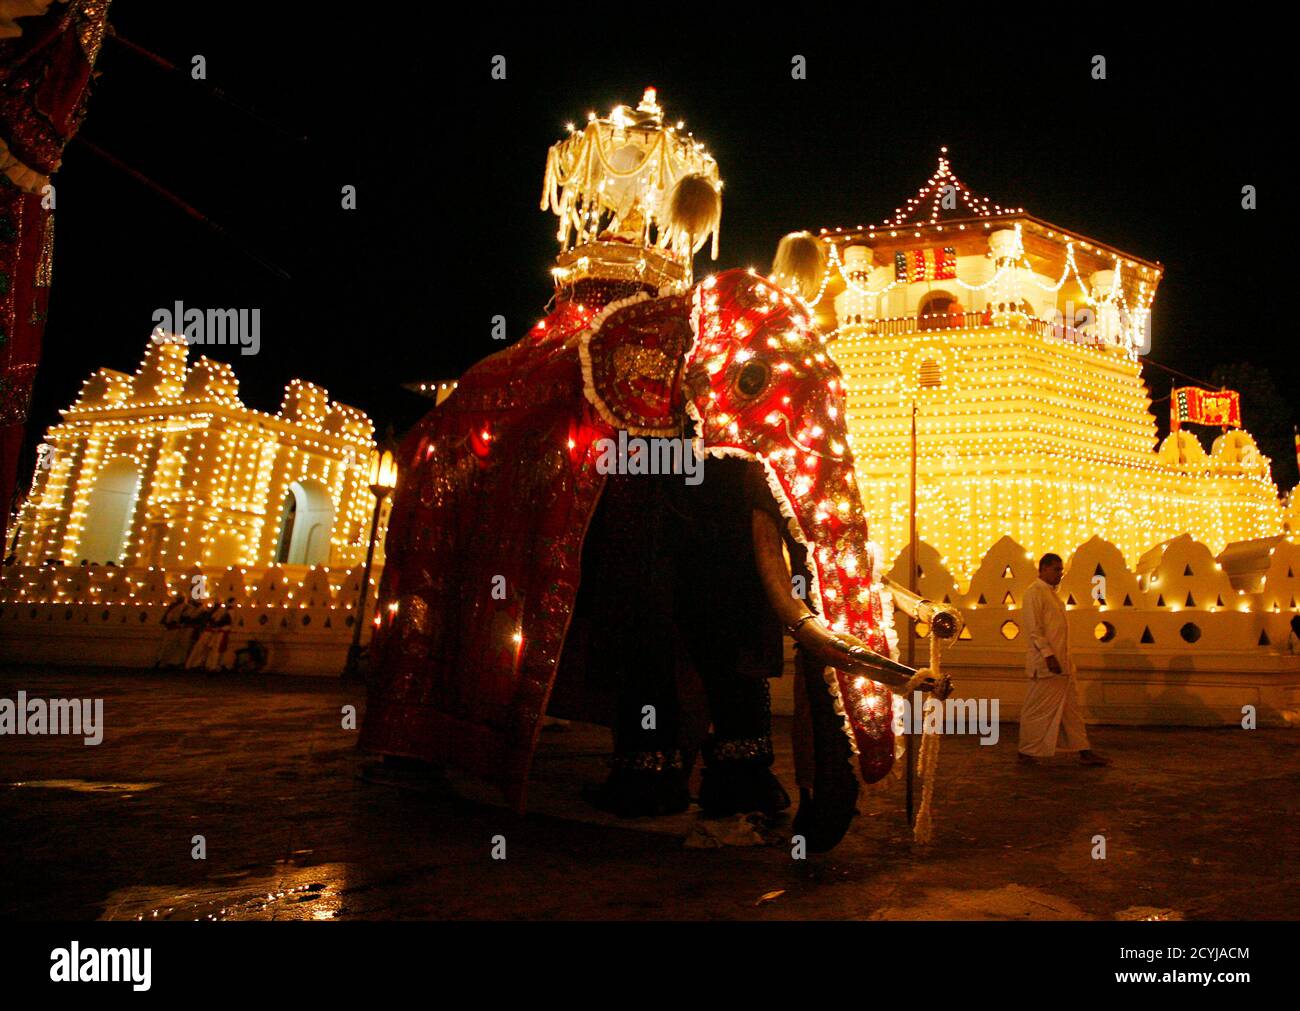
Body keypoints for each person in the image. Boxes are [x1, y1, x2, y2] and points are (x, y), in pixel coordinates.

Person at [1018, 552, 1109, 766]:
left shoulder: (1052, 594)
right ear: (1043, 569)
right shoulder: (1034, 593)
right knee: (1037, 710)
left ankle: (1083, 750)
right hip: (1046, 665)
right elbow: (1034, 629)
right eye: (1056, 570)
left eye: (1061, 570)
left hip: (1063, 665)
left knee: (1072, 712)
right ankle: (1026, 751)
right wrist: (1048, 655)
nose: (1060, 574)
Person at [186, 597, 235, 672]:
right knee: (204, 649)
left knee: (214, 650)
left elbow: (222, 622)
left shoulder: (226, 611)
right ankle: (199, 664)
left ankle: (210, 665)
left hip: (217, 632)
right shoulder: (217, 611)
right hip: (212, 632)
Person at [155, 593, 198, 669]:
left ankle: (174, 662)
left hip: (178, 629)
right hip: (173, 628)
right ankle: (163, 661)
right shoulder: (176, 606)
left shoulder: (186, 607)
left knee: (177, 646)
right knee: (168, 646)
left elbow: (186, 617)